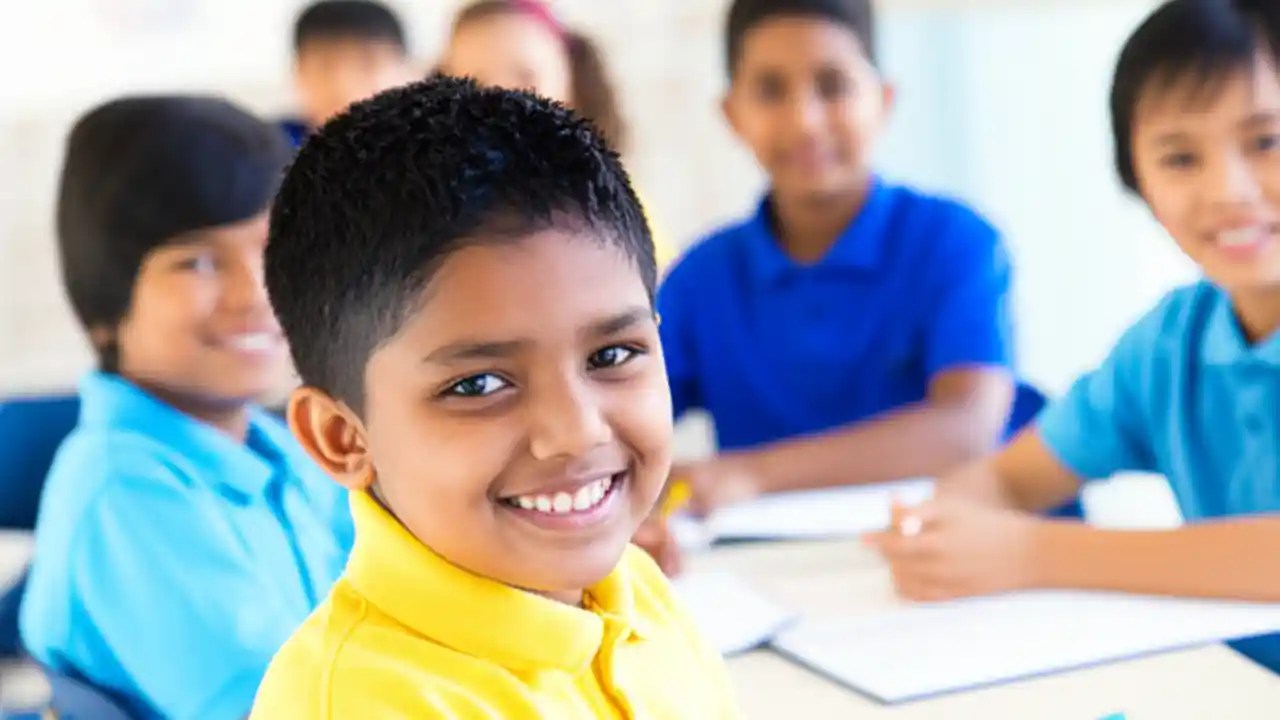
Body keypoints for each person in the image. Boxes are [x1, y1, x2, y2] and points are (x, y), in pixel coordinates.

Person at [249, 77, 739, 718]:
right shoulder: (362, 701)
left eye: (613, 355)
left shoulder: (636, 591)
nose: (577, 432)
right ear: (344, 438)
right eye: (478, 385)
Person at [868, 0, 1280, 673]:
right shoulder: (1170, 343)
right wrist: (937, 529)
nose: (1227, 190)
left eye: (1266, 142)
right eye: (1180, 158)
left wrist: (1030, 553)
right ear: (1136, 180)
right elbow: (1005, 478)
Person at [20, 96, 353, 719]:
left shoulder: (271, 443)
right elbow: (285, 708)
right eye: (197, 261)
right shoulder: (125, 489)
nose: (255, 293)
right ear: (104, 310)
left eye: (269, 247)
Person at [657, 0, 1015, 516]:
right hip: (764, 567)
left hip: (948, 548)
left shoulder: (955, 241)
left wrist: (754, 473)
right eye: (771, 90)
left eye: (833, 85)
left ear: (885, 100)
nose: (804, 121)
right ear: (732, 114)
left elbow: (966, 428)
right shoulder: (699, 279)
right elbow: (625, 414)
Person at [439, 0, 675, 268]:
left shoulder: (623, 217)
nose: (503, 102)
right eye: (476, 86)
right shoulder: (436, 227)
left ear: (574, 79)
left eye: (526, 76)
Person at [281, 0, 413, 148]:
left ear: (407, 72)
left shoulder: (426, 149)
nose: (344, 85)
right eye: (325, 66)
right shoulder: (268, 151)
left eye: (366, 64)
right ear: (299, 71)